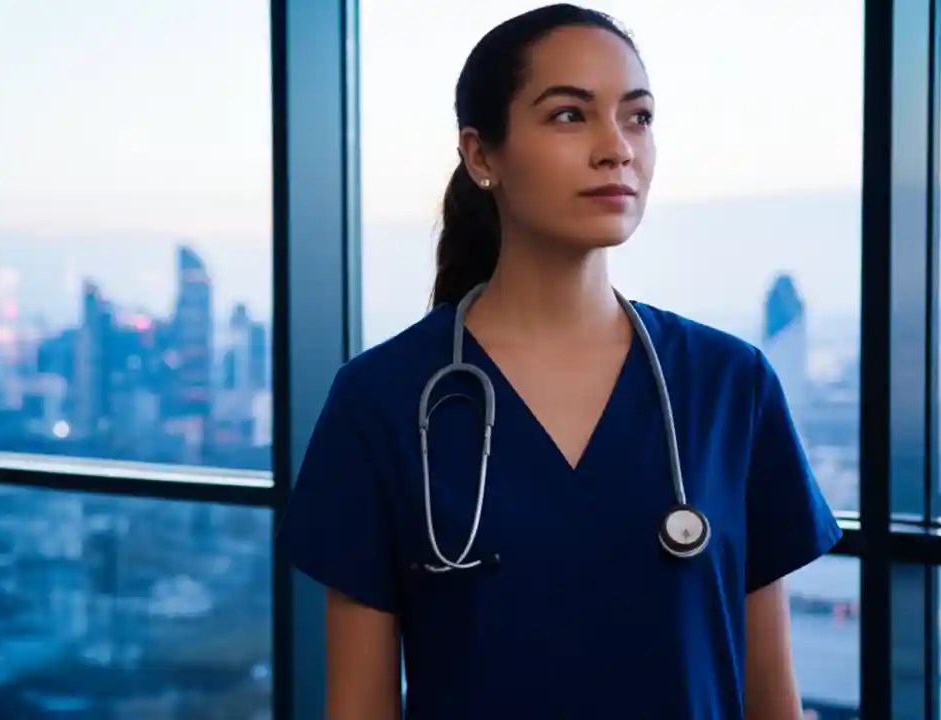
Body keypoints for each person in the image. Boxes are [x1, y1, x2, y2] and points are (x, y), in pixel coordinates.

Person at [275, 4, 842, 718]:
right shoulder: (382, 401)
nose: (617, 148)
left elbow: (773, 704)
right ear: (482, 156)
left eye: (637, 117)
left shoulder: (730, 386)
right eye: (570, 116)